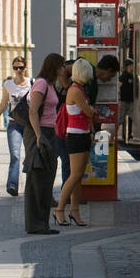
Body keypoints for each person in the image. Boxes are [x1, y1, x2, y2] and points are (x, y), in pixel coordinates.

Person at [24, 53, 65, 235]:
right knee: (37, 179)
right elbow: (33, 111)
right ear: (54, 66)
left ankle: (43, 223)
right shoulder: (41, 83)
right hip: (39, 133)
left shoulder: (49, 84)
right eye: (62, 66)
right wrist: (39, 135)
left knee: (46, 178)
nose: (64, 69)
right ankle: (35, 224)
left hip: (49, 132)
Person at [54, 58, 97, 227]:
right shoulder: (75, 90)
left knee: (78, 177)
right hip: (75, 136)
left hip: (83, 135)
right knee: (74, 176)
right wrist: (91, 110)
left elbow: (89, 113)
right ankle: (59, 210)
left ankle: (75, 211)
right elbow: (89, 112)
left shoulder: (80, 89)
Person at [0, 57, 31, 196]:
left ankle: (30, 186)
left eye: (21, 67)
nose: (18, 70)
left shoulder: (32, 83)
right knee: (15, 155)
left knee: (29, 155)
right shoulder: (8, 84)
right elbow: (4, 103)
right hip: (14, 124)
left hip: (28, 124)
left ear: (25, 68)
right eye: (15, 68)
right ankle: (12, 185)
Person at [53, 59, 74, 189]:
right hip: (56, 126)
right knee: (65, 159)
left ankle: (65, 192)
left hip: (61, 125)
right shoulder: (59, 81)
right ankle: (65, 193)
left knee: (65, 160)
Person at [119, 59, 135, 142]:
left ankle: (131, 134)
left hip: (131, 101)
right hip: (123, 101)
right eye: (132, 65)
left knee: (134, 117)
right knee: (120, 119)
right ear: (128, 66)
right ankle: (117, 136)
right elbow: (119, 85)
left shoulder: (132, 76)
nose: (133, 66)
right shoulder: (124, 76)